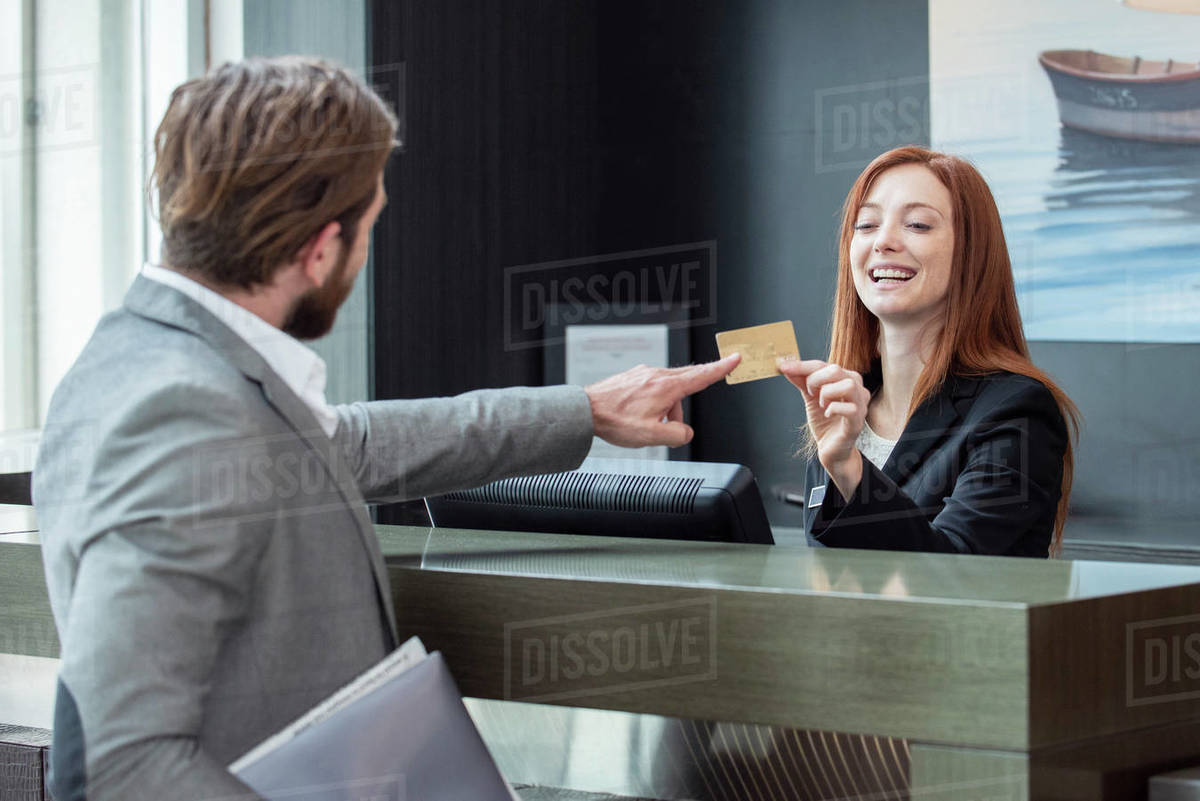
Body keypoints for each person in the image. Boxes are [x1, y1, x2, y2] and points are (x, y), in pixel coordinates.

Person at [32, 57, 739, 801]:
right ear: (319, 249)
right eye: (369, 229)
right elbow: (125, 767)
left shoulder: (162, 354)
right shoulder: (184, 410)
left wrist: (585, 411)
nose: (367, 253)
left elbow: (352, 445)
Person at [779, 146, 1079, 557]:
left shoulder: (1018, 410)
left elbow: (952, 573)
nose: (884, 241)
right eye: (866, 225)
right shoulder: (842, 408)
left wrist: (850, 469)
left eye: (918, 225)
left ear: (971, 255)